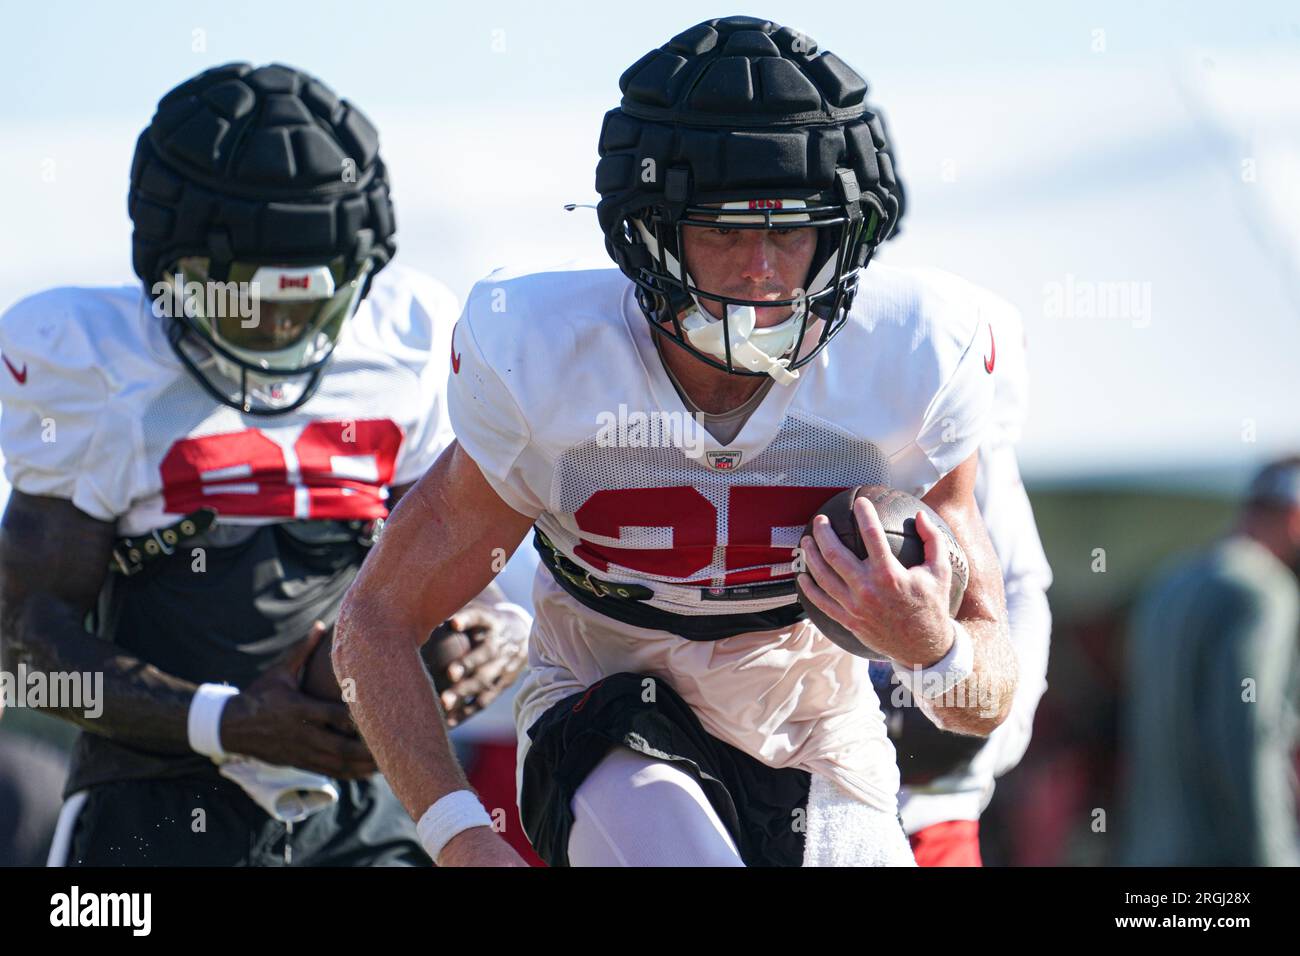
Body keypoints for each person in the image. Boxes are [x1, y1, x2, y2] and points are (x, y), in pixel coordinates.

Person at [335, 15, 1019, 867]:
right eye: (724, 230)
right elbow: (375, 621)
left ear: (843, 238)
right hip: (609, 708)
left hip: (814, 728)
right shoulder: (542, 358)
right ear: (648, 233)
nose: (761, 271)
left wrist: (933, 646)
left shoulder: (914, 358)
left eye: (789, 231)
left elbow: (984, 696)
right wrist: (458, 834)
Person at [0, 62, 527, 867]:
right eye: (249, 299)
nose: (277, 332)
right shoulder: (93, 360)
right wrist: (224, 719)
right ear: (169, 267)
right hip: (153, 816)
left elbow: (454, 566)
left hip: (366, 807)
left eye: (304, 304)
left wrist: (498, 630)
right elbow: (26, 648)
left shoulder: (407, 336)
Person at [872, 301, 1053, 865]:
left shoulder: (965, 429)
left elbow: (1021, 584)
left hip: (932, 803)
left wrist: (994, 724)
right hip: (801, 783)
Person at [1120, 456, 1300, 866]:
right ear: (1294, 517)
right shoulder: (1262, 590)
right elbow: (1252, 733)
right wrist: (1272, 856)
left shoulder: (1168, 582)